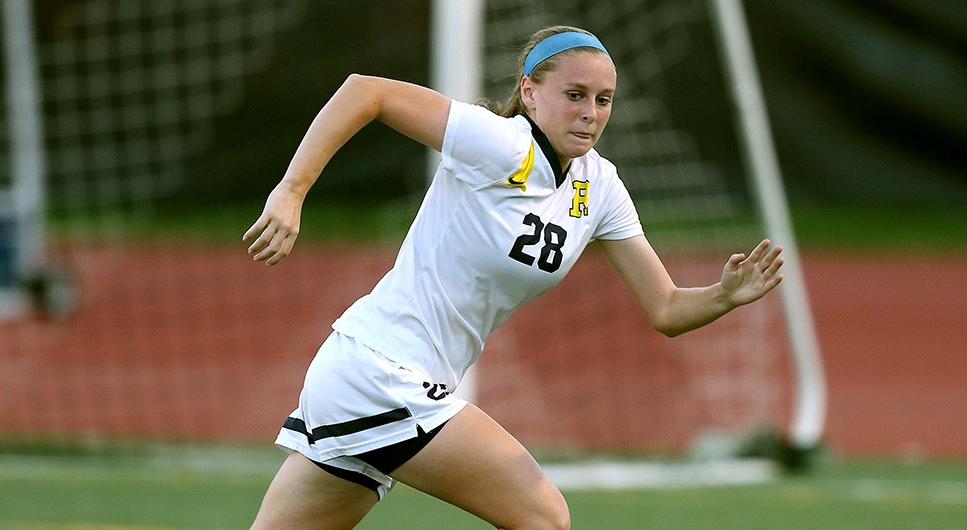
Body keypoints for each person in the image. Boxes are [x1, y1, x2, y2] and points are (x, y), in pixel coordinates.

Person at [243, 25, 784, 530]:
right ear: (529, 92)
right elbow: (366, 92)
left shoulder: (599, 186)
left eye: (604, 99)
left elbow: (665, 309)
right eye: (574, 95)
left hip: (375, 378)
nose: (591, 113)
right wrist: (291, 192)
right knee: (545, 517)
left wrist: (724, 295)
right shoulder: (502, 144)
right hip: (382, 373)